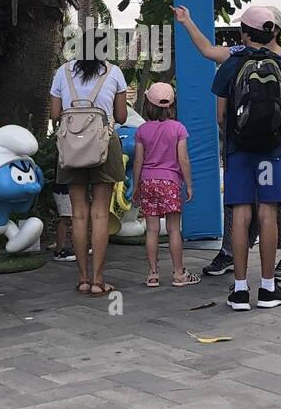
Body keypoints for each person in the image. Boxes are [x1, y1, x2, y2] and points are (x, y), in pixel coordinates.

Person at [173, 3, 281, 281]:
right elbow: (210, 51)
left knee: (257, 197)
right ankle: (233, 252)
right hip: (269, 137)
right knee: (265, 197)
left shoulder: (280, 60)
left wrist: (264, 111)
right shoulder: (257, 57)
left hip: (263, 137)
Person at [208, 7, 281, 310]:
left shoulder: (231, 66)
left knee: (241, 213)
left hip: (239, 151)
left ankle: (241, 290)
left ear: (244, 33)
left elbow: (221, 115)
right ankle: (269, 288)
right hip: (271, 153)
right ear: (272, 33)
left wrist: (234, 136)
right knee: (268, 213)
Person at [48, 53, 128, 296]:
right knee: (100, 214)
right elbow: (122, 117)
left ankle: (82, 279)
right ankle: (98, 280)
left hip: (71, 147)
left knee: (79, 214)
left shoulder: (62, 72)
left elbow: (54, 114)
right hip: (103, 144)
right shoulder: (114, 73)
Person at [131, 81, 198, 288]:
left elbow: (138, 161)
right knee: (173, 230)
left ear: (147, 105)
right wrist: (188, 184)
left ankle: (152, 274)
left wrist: (136, 186)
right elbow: (183, 159)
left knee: (151, 230)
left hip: (148, 181)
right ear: (171, 106)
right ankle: (179, 274)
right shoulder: (178, 128)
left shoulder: (142, 130)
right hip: (170, 182)